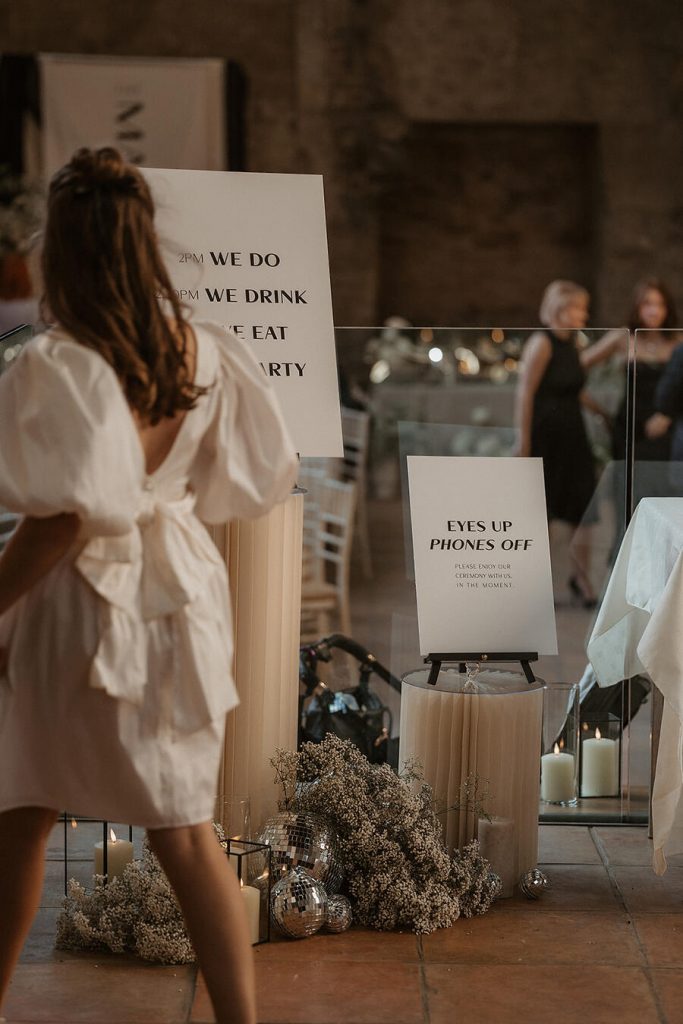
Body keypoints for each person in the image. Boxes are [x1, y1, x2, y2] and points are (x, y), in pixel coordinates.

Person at [0, 147, 298, 1024]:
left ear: (66, 250)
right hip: (181, 593)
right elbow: (241, 486)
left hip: (83, 605)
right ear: (141, 243)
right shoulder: (204, 351)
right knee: (183, 828)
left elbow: (59, 521)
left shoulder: (58, 363)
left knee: (22, 818)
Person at [515, 279, 602, 606]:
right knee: (544, 511)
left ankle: (580, 578)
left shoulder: (572, 345)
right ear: (560, 309)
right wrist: (523, 441)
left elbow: (573, 389)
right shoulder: (542, 342)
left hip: (573, 435)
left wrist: (602, 413)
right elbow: (525, 392)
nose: (584, 313)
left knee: (583, 507)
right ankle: (535, 583)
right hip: (546, 437)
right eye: (579, 307)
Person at [581, 277, 679, 465]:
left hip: (667, 426)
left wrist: (667, 415)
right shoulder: (622, 336)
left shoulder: (677, 341)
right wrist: (598, 410)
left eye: (660, 304)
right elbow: (574, 369)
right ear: (637, 306)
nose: (654, 311)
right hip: (629, 426)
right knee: (628, 484)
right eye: (647, 303)